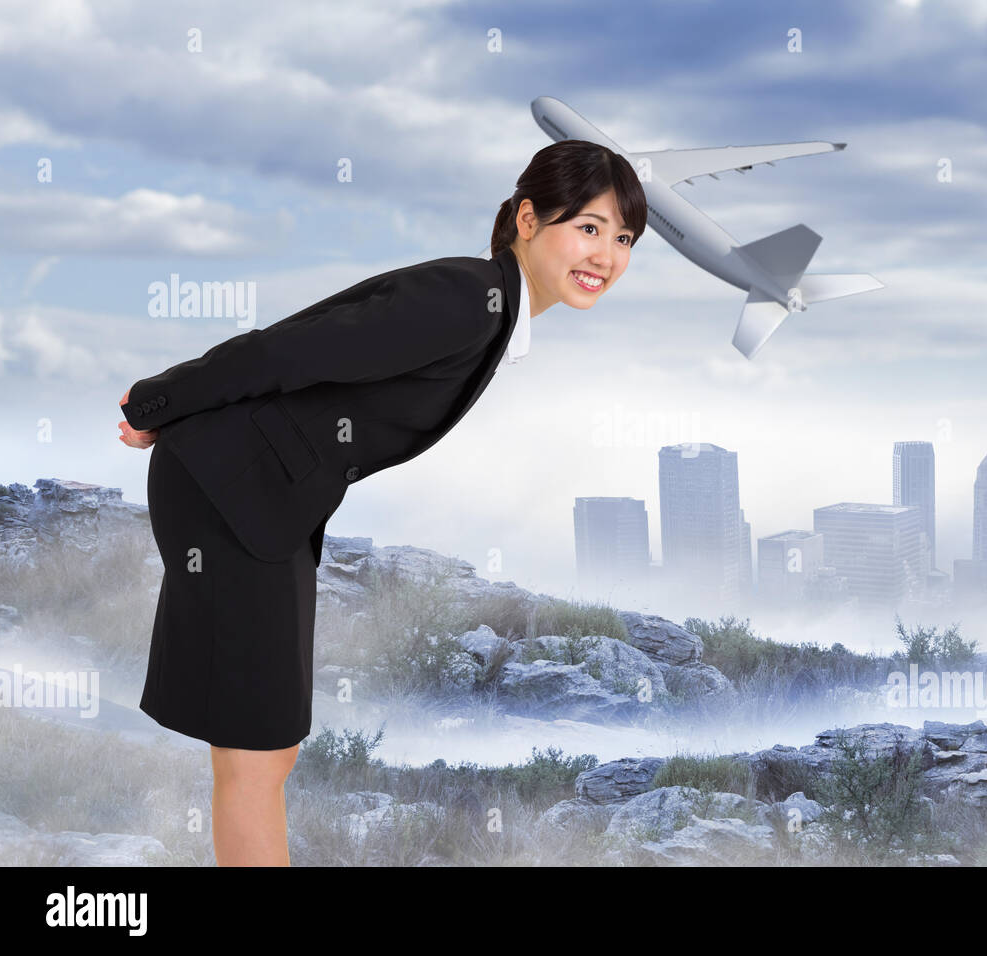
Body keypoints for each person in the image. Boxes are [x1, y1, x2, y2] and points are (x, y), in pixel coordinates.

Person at [115, 140, 647, 865]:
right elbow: (296, 347)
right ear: (528, 218)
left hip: (264, 505)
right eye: (589, 228)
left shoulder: (488, 311)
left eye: (623, 238)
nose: (607, 256)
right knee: (256, 757)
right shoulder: (469, 300)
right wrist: (163, 398)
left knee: (268, 752)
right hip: (228, 492)